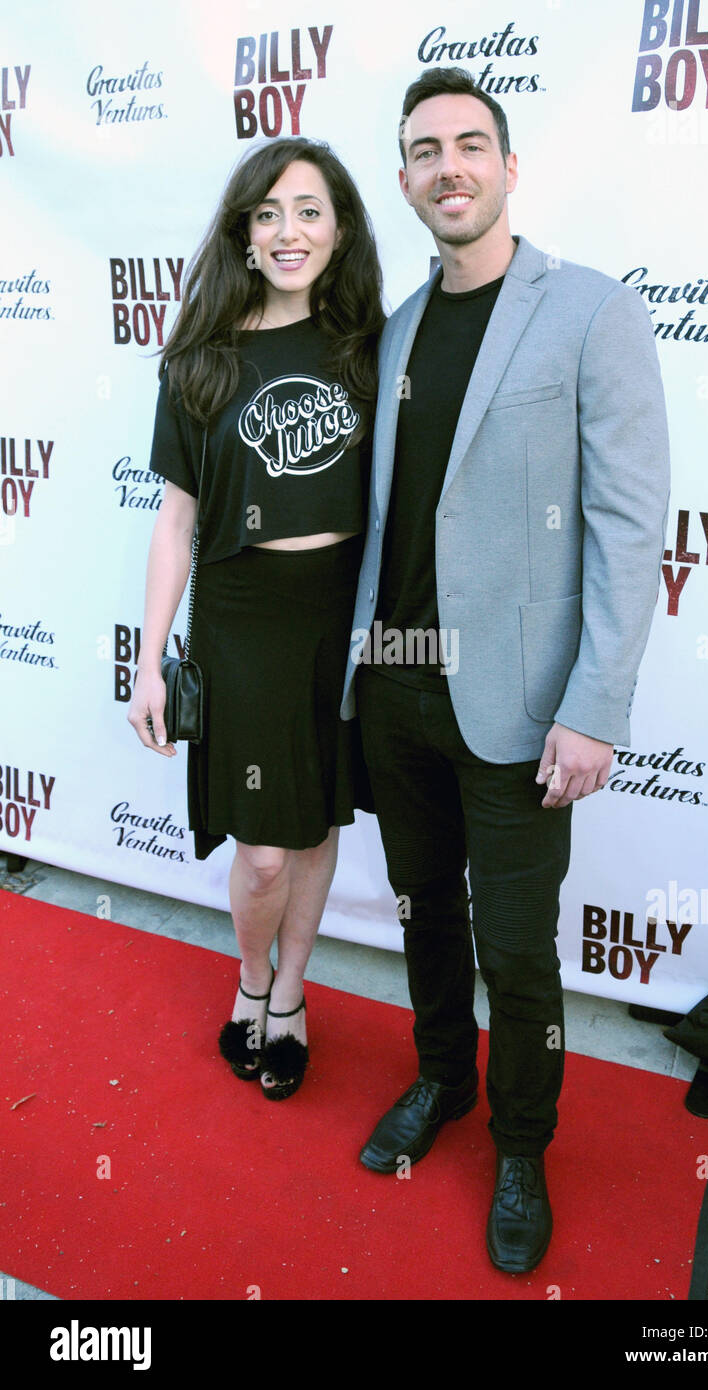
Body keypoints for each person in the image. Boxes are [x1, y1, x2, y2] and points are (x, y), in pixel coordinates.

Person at [341, 67, 670, 1273]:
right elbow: (384, 520)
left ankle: (523, 1146)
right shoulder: (397, 332)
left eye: (470, 144)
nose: (449, 168)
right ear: (406, 180)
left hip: (526, 707)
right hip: (402, 684)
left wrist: (596, 708)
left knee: (518, 950)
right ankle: (444, 1083)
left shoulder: (588, 310)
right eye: (425, 151)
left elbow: (631, 529)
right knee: (425, 913)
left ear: (510, 165)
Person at [128, 137, 383, 1100]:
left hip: (343, 619)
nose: (289, 231)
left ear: (340, 229)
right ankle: (249, 980)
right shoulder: (201, 360)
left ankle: (291, 994)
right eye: (269, 213)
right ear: (243, 234)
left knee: (316, 820)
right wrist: (150, 662)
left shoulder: (370, 350)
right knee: (264, 850)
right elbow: (175, 522)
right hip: (244, 620)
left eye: (310, 211)